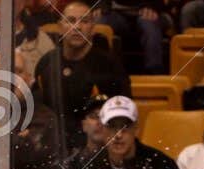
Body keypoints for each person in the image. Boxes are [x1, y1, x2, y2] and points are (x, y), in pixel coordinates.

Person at [33, 2, 131, 152]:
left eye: (84, 21)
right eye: (71, 20)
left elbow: (122, 115)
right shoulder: (46, 64)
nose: (77, 27)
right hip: (53, 149)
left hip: (97, 150)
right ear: (60, 27)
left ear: (92, 28)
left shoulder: (110, 66)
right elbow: (37, 110)